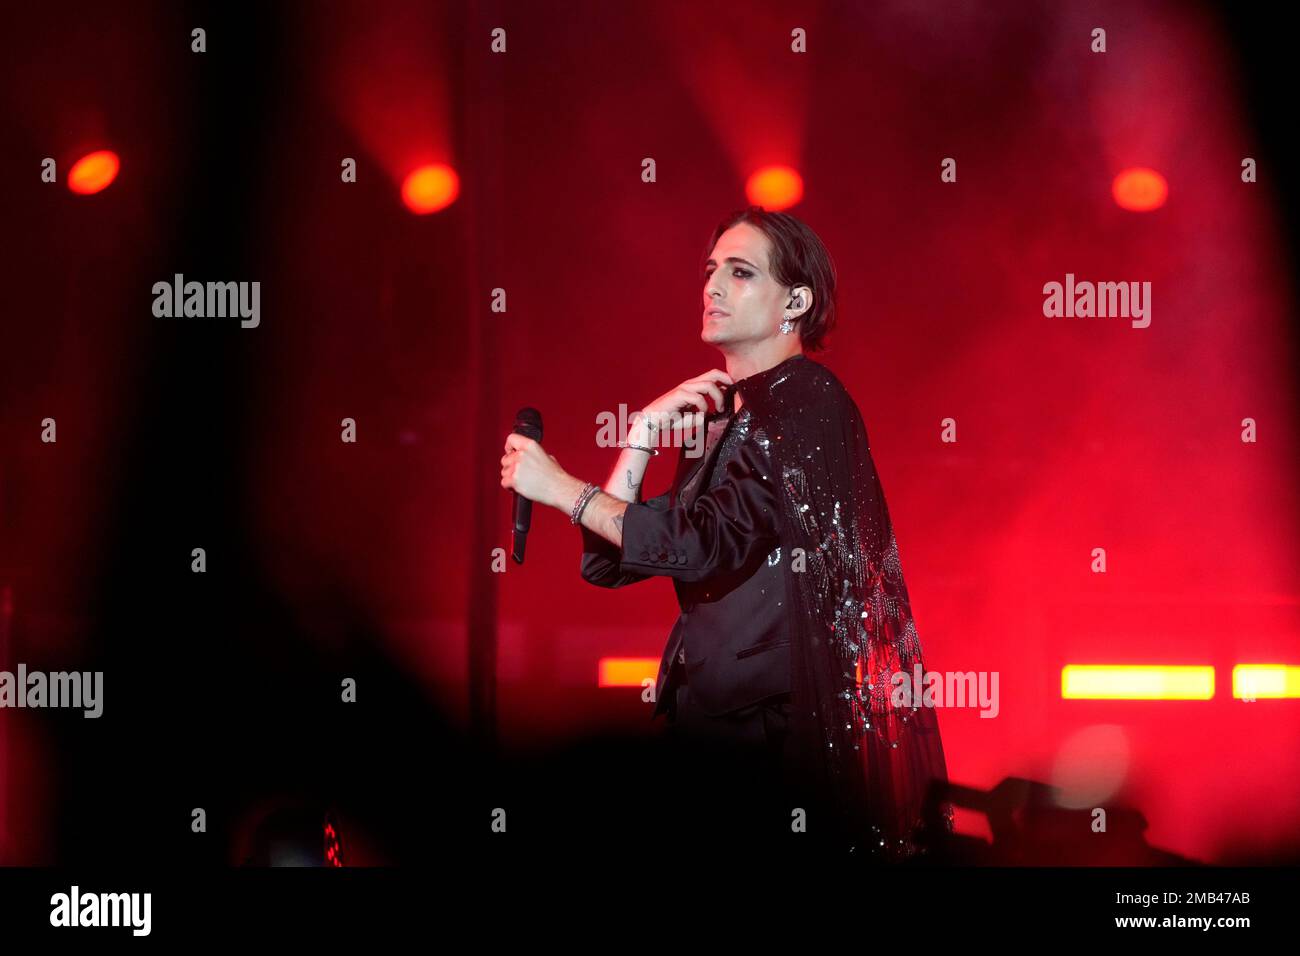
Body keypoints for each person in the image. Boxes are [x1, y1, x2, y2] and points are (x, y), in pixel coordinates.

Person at [501, 206, 952, 859]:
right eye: (710, 270)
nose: (711, 287)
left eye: (739, 273)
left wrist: (562, 488)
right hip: (717, 733)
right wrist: (641, 438)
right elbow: (610, 563)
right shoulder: (726, 419)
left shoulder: (804, 396)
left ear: (795, 300)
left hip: (770, 743)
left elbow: (699, 543)